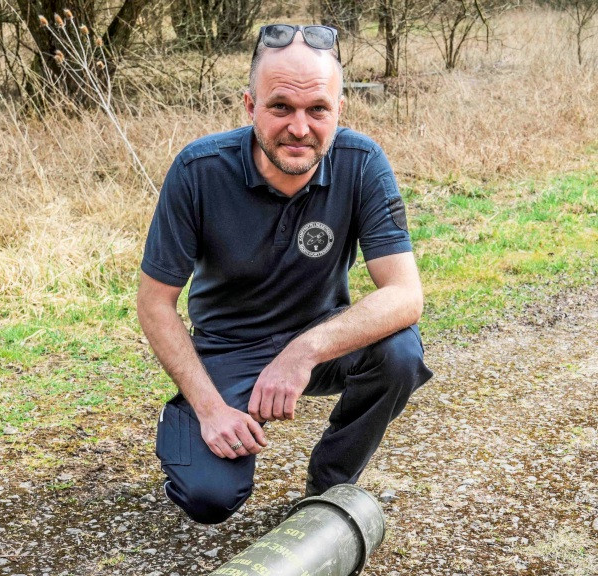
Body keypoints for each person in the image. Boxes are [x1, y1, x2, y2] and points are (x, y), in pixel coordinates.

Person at [136, 23, 432, 525]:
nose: (300, 127)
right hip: (227, 349)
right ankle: (183, 417)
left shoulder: (362, 163)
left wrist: (304, 351)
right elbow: (155, 304)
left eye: (317, 109)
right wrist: (208, 408)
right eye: (280, 107)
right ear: (250, 107)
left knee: (399, 351)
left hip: (318, 339)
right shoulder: (198, 171)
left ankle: (330, 484)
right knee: (208, 499)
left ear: (339, 110)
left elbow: (405, 295)